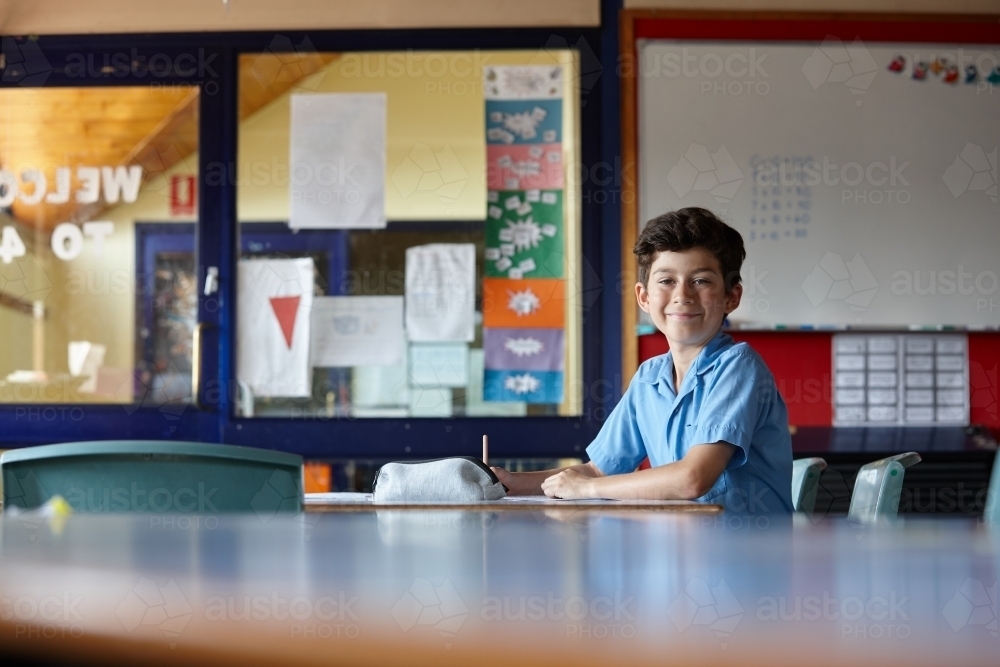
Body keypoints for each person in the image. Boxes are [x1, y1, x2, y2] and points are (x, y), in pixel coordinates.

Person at [492, 207, 793, 513]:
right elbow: (598, 470)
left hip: (747, 542)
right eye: (666, 281)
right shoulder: (649, 377)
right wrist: (509, 483)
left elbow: (693, 479)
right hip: (685, 539)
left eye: (701, 281)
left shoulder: (738, 366)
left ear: (731, 297)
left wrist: (586, 489)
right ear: (644, 297)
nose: (683, 295)